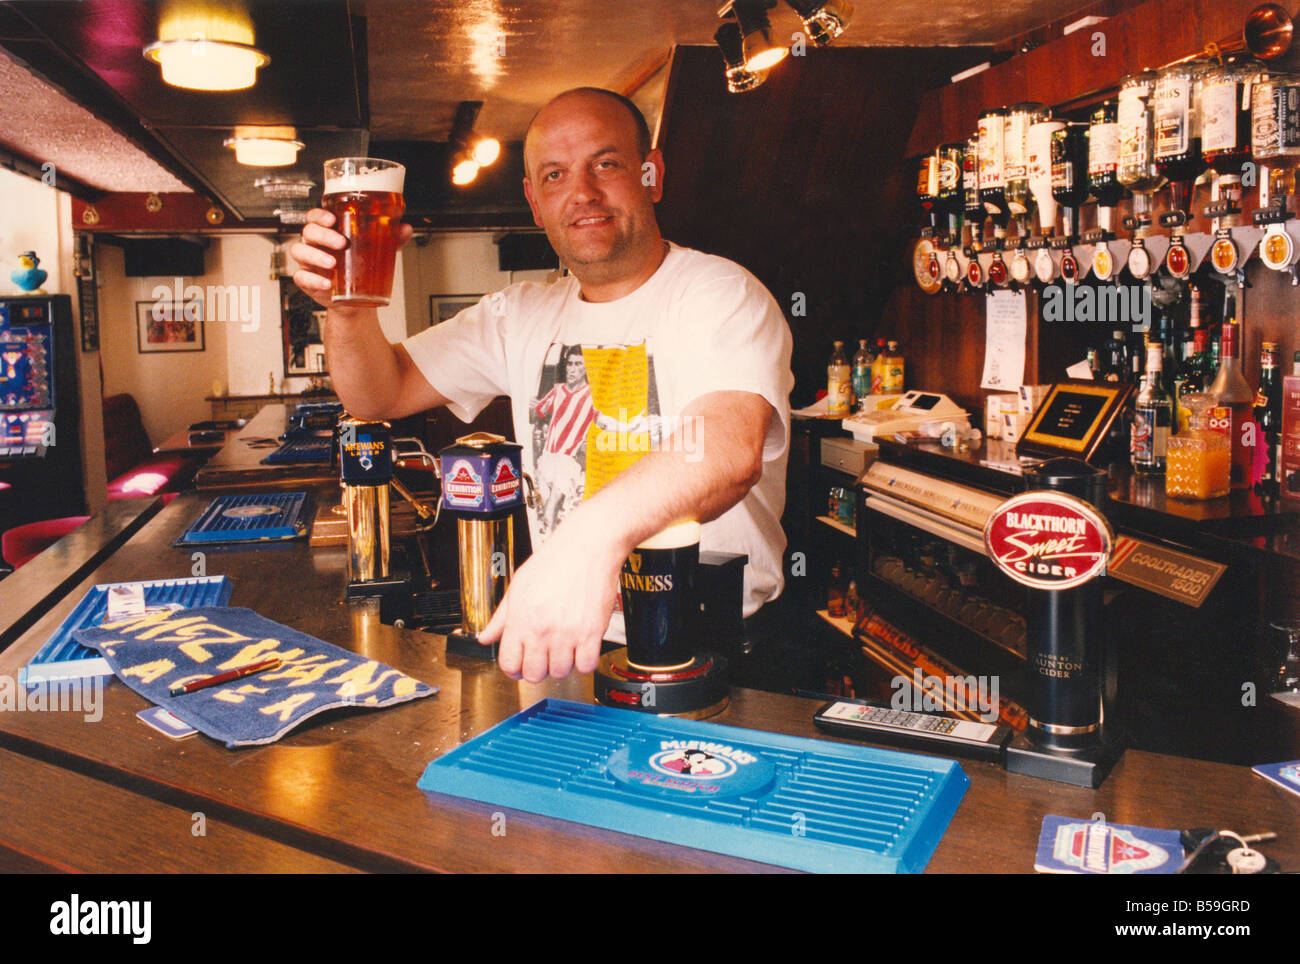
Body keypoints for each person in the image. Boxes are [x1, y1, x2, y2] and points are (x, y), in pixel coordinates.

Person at [292, 87, 793, 684]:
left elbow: (728, 451)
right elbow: (378, 394)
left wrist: (584, 540)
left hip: (711, 655)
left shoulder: (719, 293)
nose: (582, 192)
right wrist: (345, 313)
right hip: (564, 637)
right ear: (534, 201)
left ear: (651, 174)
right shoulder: (517, 315)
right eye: (555, 175)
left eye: (605, 164)